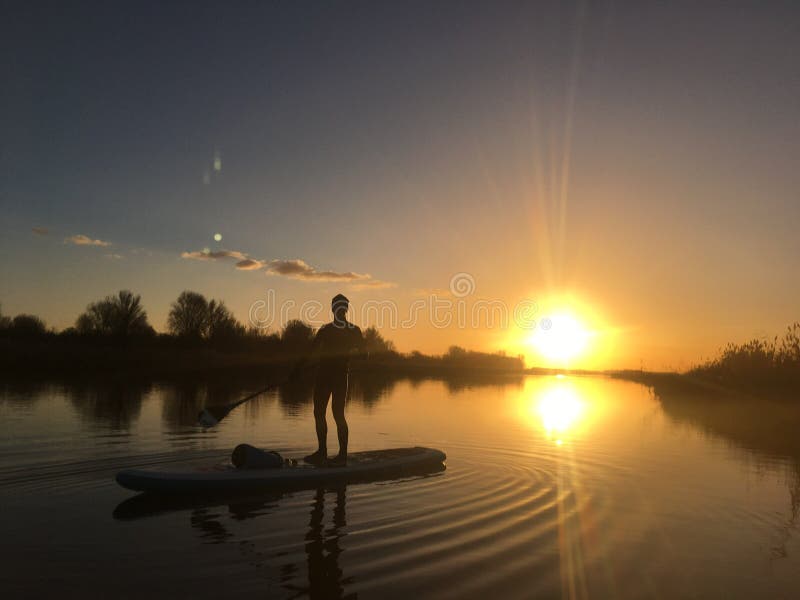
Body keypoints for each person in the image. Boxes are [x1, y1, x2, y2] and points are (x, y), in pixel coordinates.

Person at [303, 294, 364, 467]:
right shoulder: (351, 330)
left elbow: (310, 352)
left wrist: (297, 369)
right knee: (328, 414)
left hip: (332, 376)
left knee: (326, 414)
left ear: (334, 309)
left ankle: (333, 454)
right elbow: (364, 354)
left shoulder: (327, 329)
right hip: (330, 376)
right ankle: (328, 453)